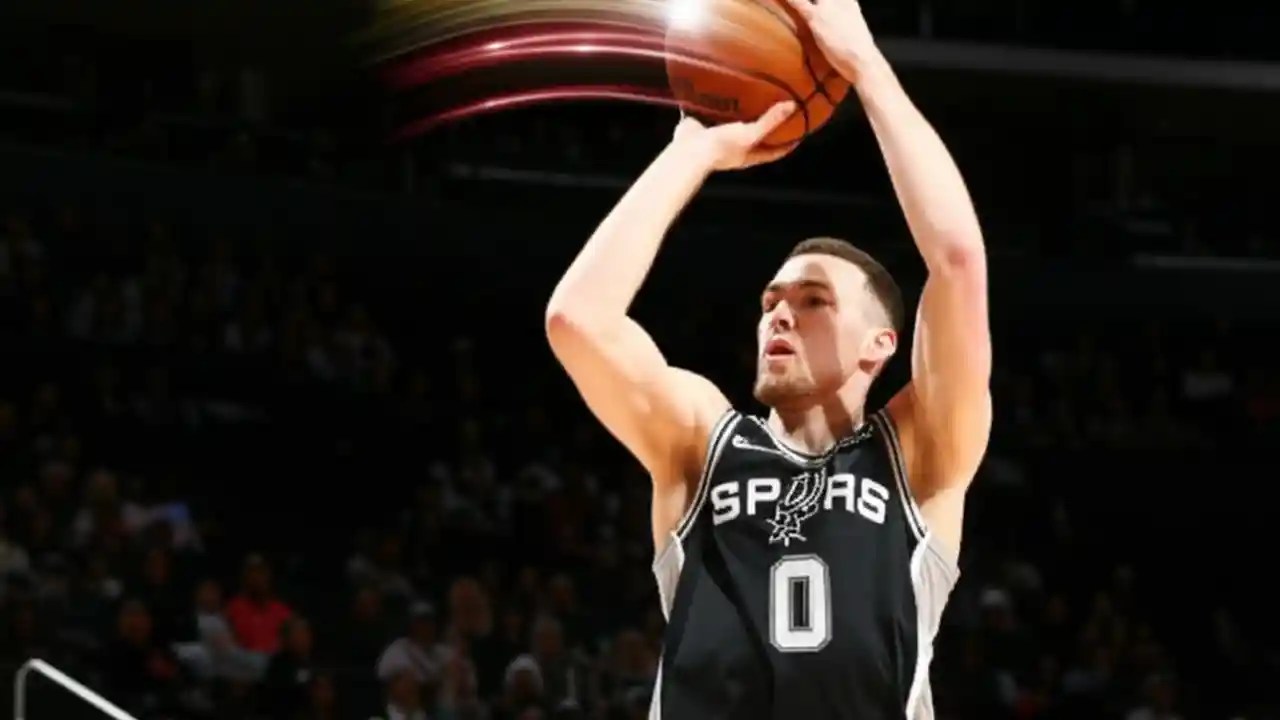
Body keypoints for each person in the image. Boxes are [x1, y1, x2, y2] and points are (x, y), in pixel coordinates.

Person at [544, 0, 991, 717]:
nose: (780, 311)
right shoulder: (701, 444)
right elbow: (577, 319)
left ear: (882, 346)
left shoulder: (917, 454)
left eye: (815, 300)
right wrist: (691, 148)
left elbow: (959, 261)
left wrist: (866, 68)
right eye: (771, 300)